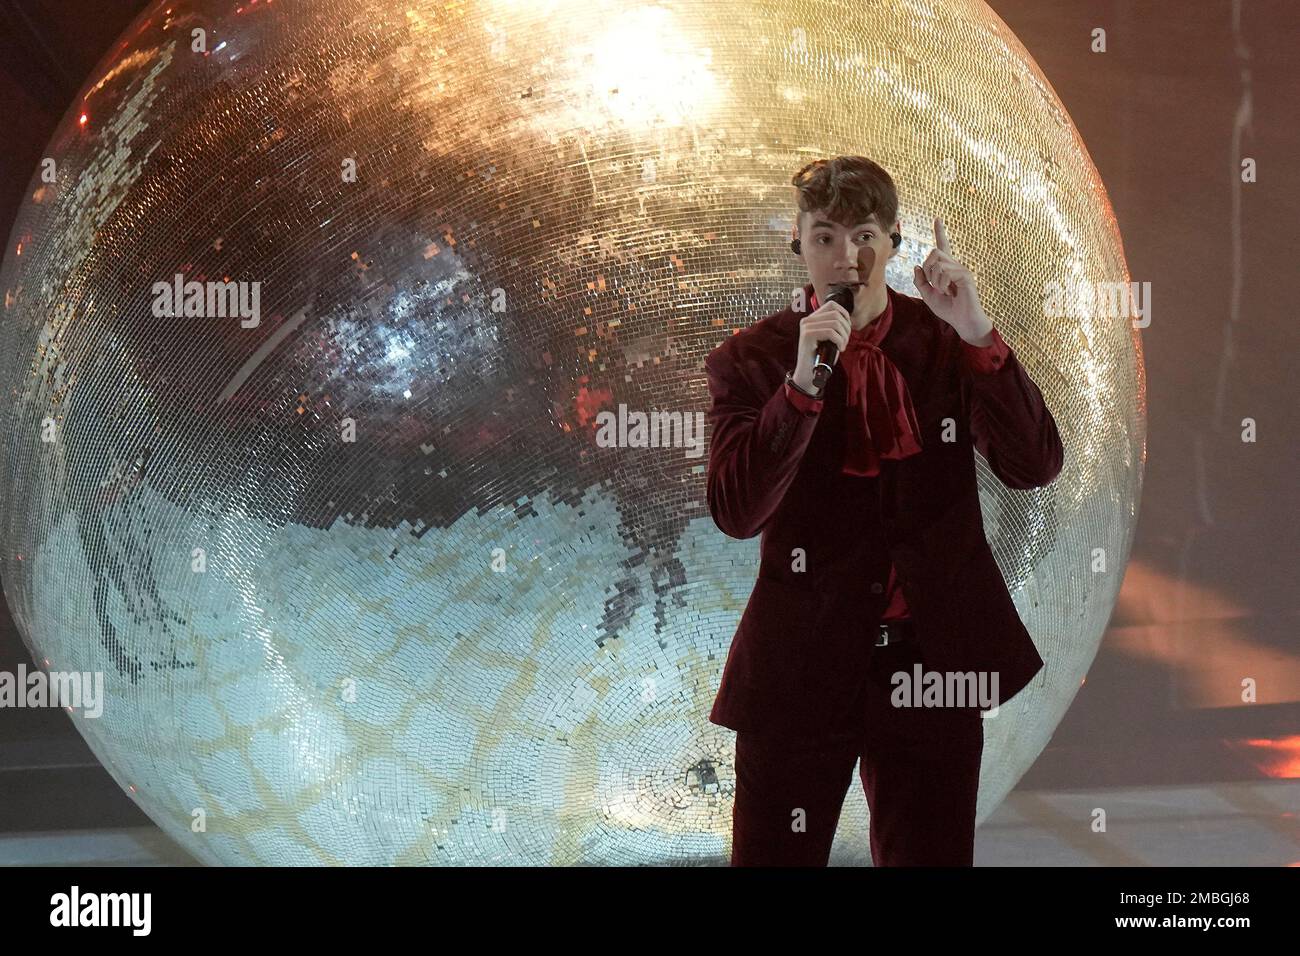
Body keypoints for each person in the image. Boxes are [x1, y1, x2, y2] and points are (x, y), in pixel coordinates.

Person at [704, 156, 1065, 866]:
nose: (848, 256)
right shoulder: (753, 359)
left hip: (930, 666)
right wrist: (800, 390)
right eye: (826, 236)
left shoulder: (940, 343)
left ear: (895, 241)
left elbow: (1034, 466)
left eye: (865, 234)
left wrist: (976, 330)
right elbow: (737, 511)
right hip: (800, 666)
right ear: (799, 246)